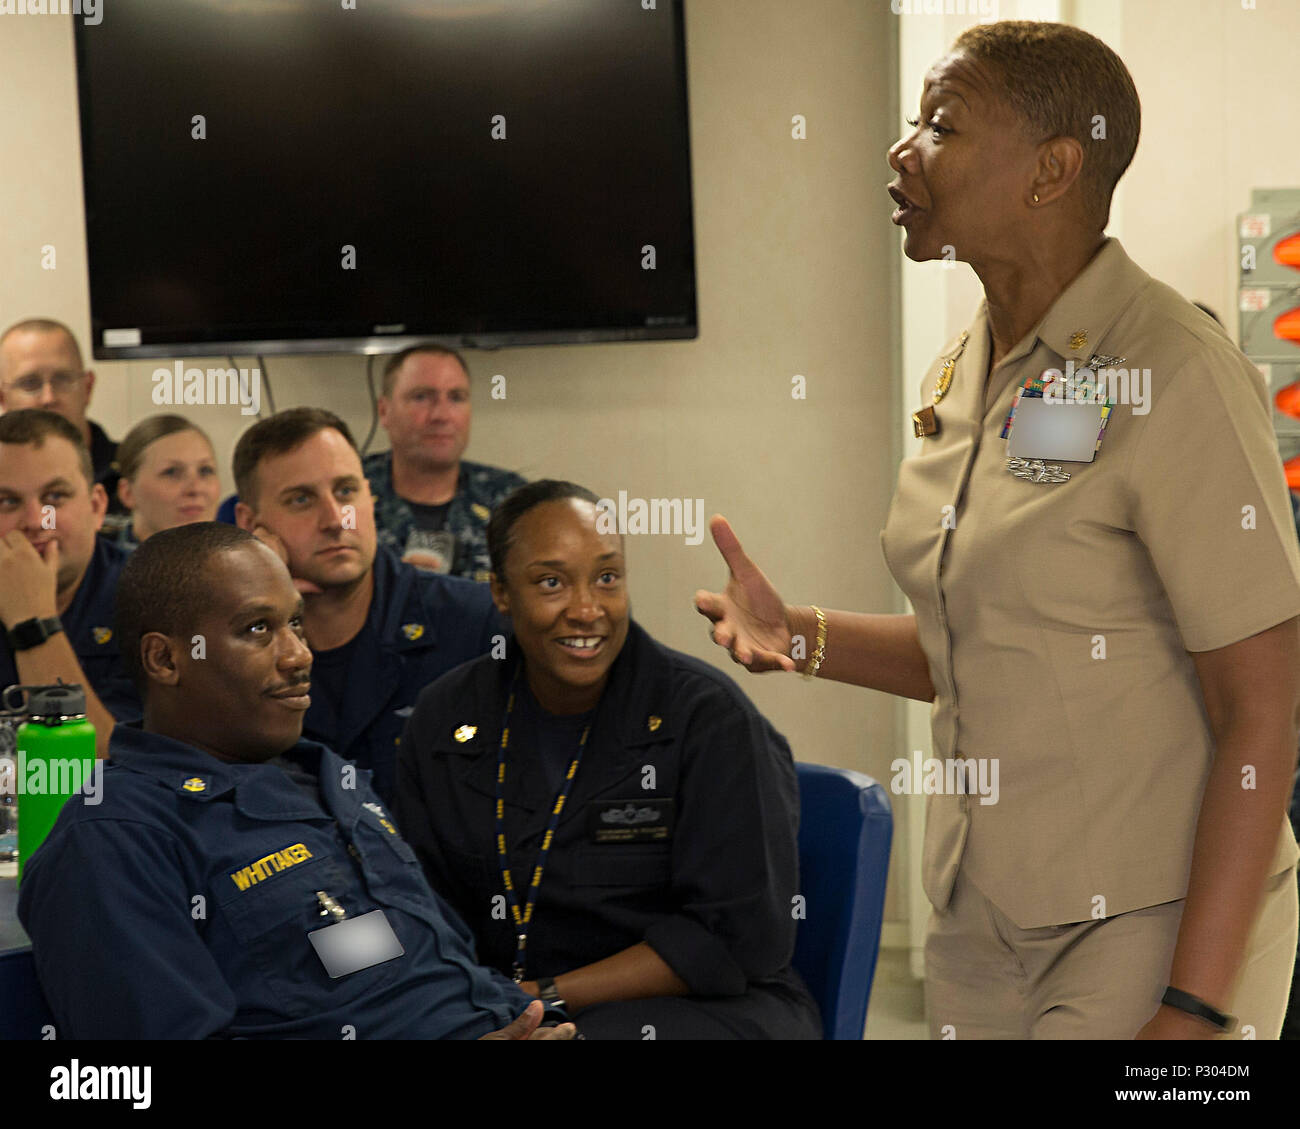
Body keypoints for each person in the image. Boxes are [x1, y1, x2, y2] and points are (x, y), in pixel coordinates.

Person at [697, 20, 1299, 1040]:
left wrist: (1196, 1005)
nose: (902, 152)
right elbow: (988, 641)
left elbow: (1264, 709)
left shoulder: (1175, 369)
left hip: (1154, 923)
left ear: (1051, 171)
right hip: (981, 919)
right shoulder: (968, 368)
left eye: (940, 127)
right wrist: (798, 634)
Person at [16, 522, 574, 1040]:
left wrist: (539, 1024)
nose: (299, 655)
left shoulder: (332, 779)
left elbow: (432, 964)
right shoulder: (116, 836)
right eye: (258, 629)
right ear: (165, 659)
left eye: (296, 624)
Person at [394, 481, 821, 1039]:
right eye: (551, 582)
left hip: (703, 1006)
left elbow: (737, 938)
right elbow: (415, 900)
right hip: (502, 1010)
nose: (586, 610)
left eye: (607, 578)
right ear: (500, 592)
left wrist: (538, 999)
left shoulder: (707, 719)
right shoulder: (445, 716)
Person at [232, 407, 500, 805]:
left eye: (345, 492)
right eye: (301, 499)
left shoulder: (478, 623)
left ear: (368, 497)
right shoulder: (226, 651)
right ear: (250, 524)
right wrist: (250, 597)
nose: (335, 520)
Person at [0, 410, 139, 753]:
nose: (35, 521)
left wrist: (32, 621)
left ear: (97, 507)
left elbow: (108, 763)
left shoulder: (151, 599)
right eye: (7, 501)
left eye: (55, 497)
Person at [364, 344, 526, 581]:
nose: (441, 415)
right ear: (384, 411)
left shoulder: (513, 501)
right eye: (421, 397)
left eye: (456, 398)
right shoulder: (341, 497)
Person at [0, 318, 126, 523]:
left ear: (88, 387)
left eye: (62, 379)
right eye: (30, 383)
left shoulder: (137, 475)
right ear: (2, 397)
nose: (48, 398)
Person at [109, 414, 221, 551]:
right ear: (127, 493)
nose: (196, 488)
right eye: (171, 472)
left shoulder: (238, 560)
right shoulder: (95, 563)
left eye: (205, 470)